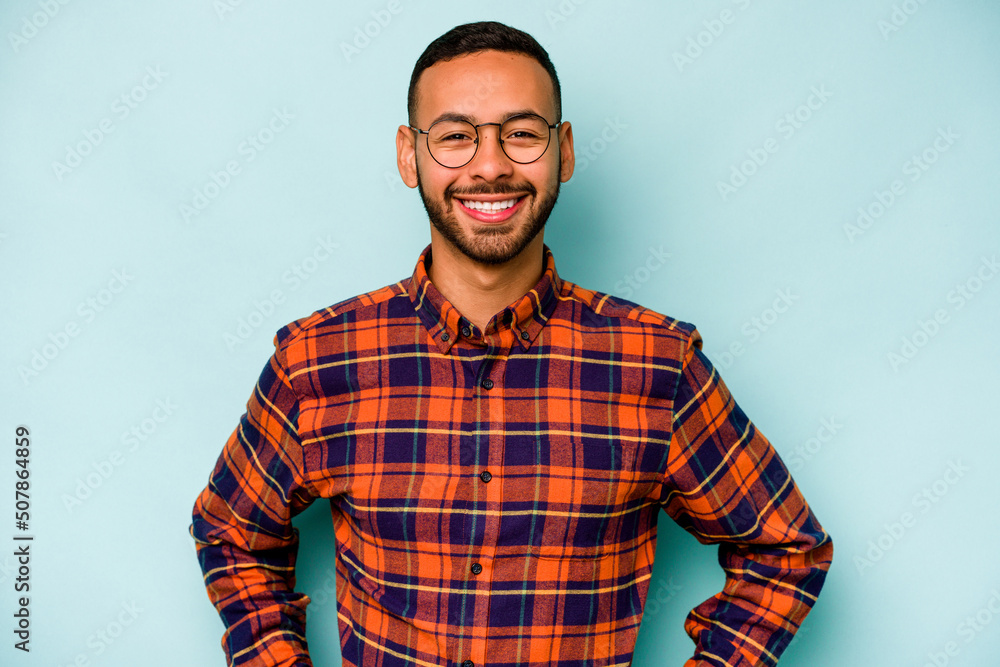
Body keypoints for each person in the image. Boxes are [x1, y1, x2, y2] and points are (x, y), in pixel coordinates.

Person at [190, 20, 833, 667]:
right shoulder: (317, 360)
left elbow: (788, 551)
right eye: (456, 136)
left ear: (565, 151)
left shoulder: (658, 365)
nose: (491, 164)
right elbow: (229, 531)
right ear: (409, 155)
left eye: (522, 134)